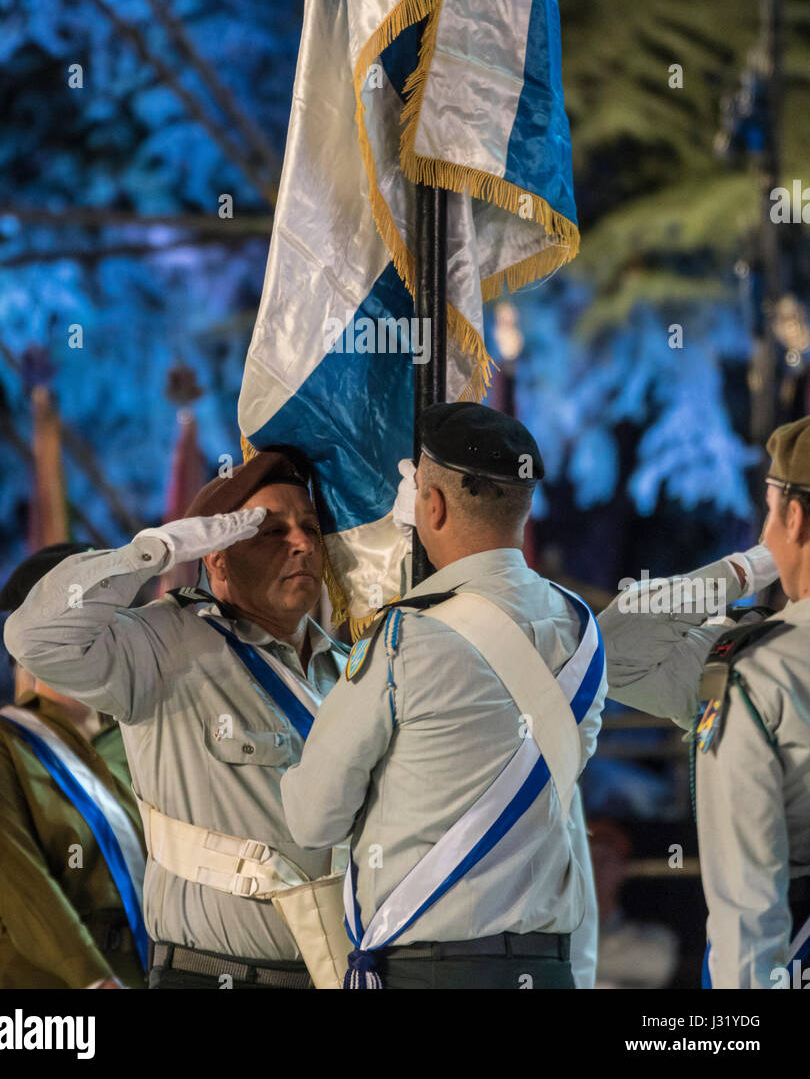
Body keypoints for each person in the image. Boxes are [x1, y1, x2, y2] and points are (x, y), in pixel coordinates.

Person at [281, 401, 606, 989]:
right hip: (547, 969)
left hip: (433, 972)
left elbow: (313, 818)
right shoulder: (582, 630)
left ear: (430, 505)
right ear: (525, 507)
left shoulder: (406, 636)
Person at [4, 451, 349, 990]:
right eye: (271, 532)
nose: (303, 543)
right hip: (212, 974)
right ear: (216, 557)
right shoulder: (164, 644)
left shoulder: (351, 670)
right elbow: (35, 639)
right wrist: (156, 550)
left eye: (309, 527)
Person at [597, 415, 810, 988]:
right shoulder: (758, 650)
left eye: (771, 511)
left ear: (792, 517)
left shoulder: (754, 666)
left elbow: (614, 647)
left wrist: (757, 564)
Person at [0, 543, 147, 989]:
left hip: (139, 967)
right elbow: (18, 882)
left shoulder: (136, 735)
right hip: (33, 980)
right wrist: (93, 979)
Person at [588, 818, 679, 990]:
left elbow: (658, 965)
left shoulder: (655, 939)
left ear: (623, 868)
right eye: (588, 859)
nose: (595, 869)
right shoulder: (554, 932)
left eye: (604, 859)